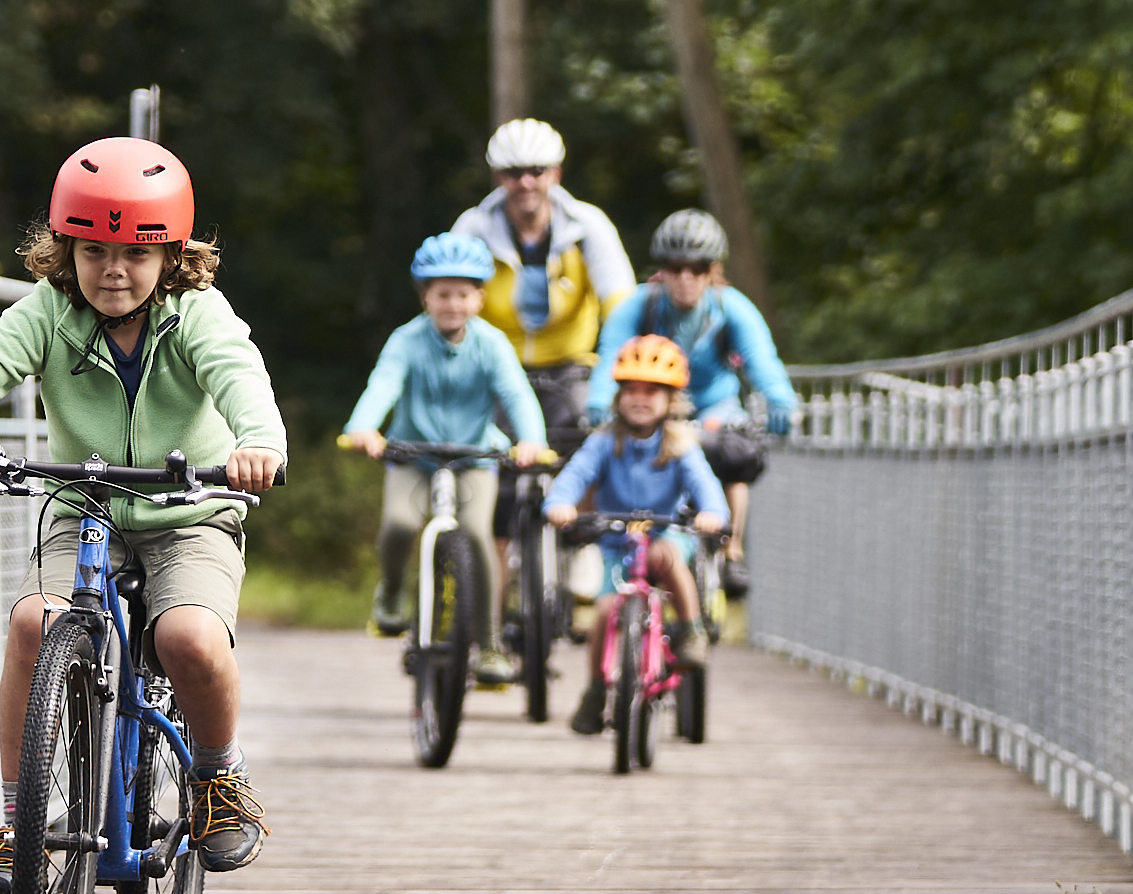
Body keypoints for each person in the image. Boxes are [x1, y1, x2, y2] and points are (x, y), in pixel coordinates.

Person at [0, 137, 288, 894]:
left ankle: (219, 777)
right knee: (33, 623)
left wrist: (258, 443)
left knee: (188, 635)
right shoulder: (50, 312)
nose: (113, 270)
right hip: (82, 505)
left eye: (136, 253)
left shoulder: (195, 314)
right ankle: (23, 828)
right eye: (94, 251)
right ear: (66, 249)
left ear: (173, 256)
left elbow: (239, 374)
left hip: (190, 510)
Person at [334, 229, 558, 662]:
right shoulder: (406, 340)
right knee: (400, 523)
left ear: (479, 299)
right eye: (442, 294)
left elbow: (516, 394)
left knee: (477, 535)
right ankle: (393, 593)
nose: (452, 304)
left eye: (462, 294)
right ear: (426, 299)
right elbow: (383, 385)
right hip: (412, 456)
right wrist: (363, 427)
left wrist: (532, 440)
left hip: (475, 456)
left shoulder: (492, 344)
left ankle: (490, 645)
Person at [586, 209, 798, 591]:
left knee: (735, 455)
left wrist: (781, 400)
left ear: (712, 271)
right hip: (655, 410)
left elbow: (761, 359)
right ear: (662, 270)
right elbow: (610, 355)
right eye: (675, 267)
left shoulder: (730, 307)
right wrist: (600, 401)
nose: (685, 278)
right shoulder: (640, 305)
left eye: (697, 268)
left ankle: (731, 549)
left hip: (713, 408)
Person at [544, 334, 729, 733]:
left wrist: (712, 512)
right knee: (604, 612)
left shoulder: (681, 444)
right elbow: (574, 476)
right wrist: (560, 503)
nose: (639, 399)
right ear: (617, 396)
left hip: (667, 536)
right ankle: (596, 689)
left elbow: (706, 486)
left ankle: (692, 629)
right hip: (618, 543)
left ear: (670, 399)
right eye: (630, 390)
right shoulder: (604, 441)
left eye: (651, 391)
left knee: (665, 556)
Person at [454, 117, 635, 453]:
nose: (525, 182)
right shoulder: (473, 228)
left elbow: (621, 308)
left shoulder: (588, 226)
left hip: (571, 365)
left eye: (537, 171)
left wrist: (610, 380)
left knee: (598, 439)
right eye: (513, 172)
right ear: (498, 178)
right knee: (471, 447)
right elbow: (447, 307)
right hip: (495, 363)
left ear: (556, 173)